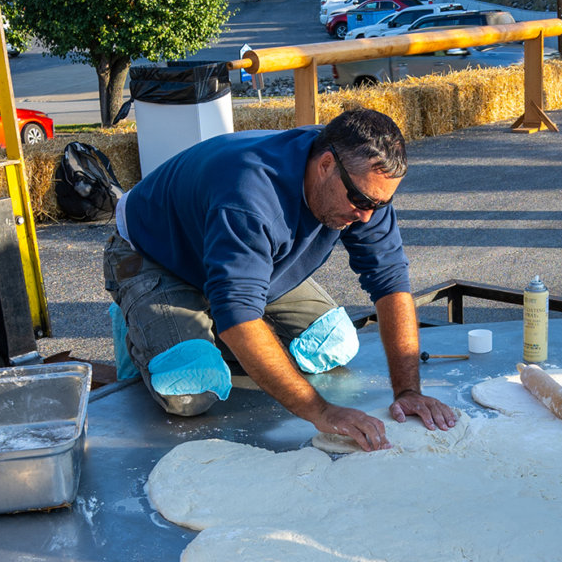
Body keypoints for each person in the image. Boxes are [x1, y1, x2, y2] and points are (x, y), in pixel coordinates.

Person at [103, 108, 457, 451]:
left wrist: (408, 392)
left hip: (254, 259)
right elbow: (239, 316)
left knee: (334, 344)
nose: (366, 217)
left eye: (379, 205)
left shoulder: (365, 184)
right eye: (361, 201)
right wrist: (320, 411)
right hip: (158, 255)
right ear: (326, 166)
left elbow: (391, 282)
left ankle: (212, 323)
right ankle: (148, 327)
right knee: (192, 390)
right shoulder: (249, 195)